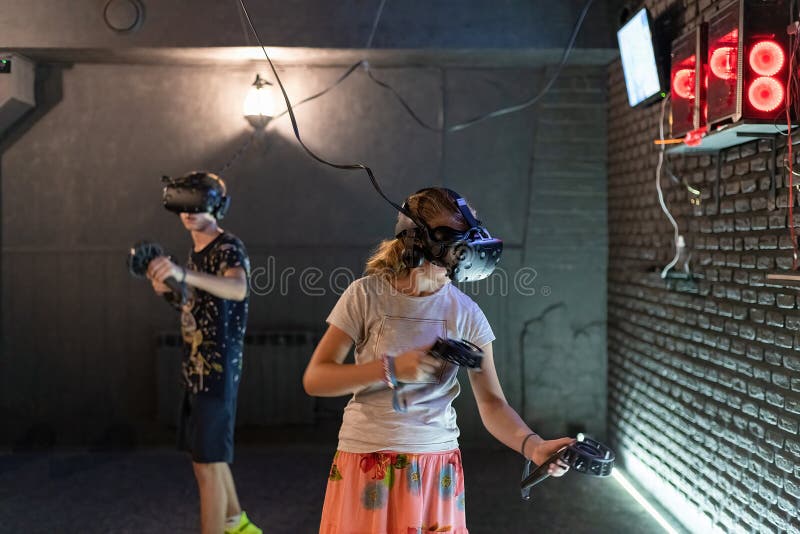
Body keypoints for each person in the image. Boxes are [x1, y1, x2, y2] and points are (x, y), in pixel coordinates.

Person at [303, 187, 574, 533]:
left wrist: (533, 445)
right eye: (452, 237)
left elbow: (492, 403)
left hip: (435, 466)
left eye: (470, 236)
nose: (466, 248)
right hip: (366, 457)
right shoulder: (365, 295)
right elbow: (316, 378)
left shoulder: (467, 314)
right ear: (415, 239)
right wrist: (391, 369)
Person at [147, 171, 261, 534]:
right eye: (183, 204)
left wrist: (184, 274)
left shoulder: (227, 247)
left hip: (217, 373)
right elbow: (197, 305)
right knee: (206, 462)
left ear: (216, 207)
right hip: (196, 370)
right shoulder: (196, 253)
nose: (189, 213)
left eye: (197, 204)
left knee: (208, 467)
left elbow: (237, 289)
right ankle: (238, 525)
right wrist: (167, 288)